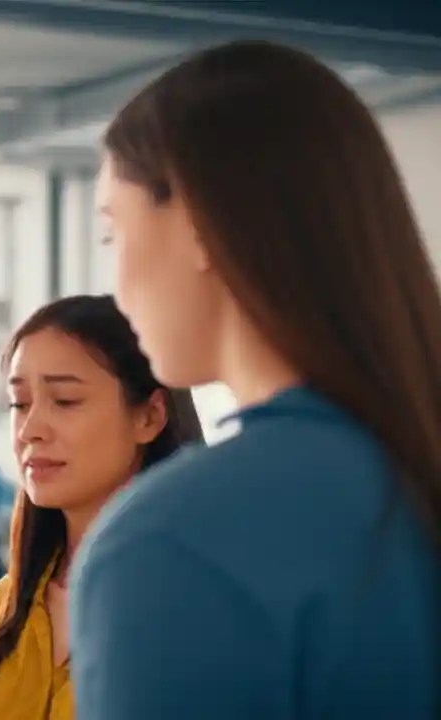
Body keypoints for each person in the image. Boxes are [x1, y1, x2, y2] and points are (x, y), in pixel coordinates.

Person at [72, 40, 441, 719]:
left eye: (112, 233)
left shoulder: (173, 537)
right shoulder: (404, 472)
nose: (116, 286)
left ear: (195, 223)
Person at [0, 295, 202, 720]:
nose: (30, 429)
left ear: (149, 416)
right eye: (19, 403)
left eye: (65, 400)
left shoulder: (199, 609)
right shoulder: (2, 608)